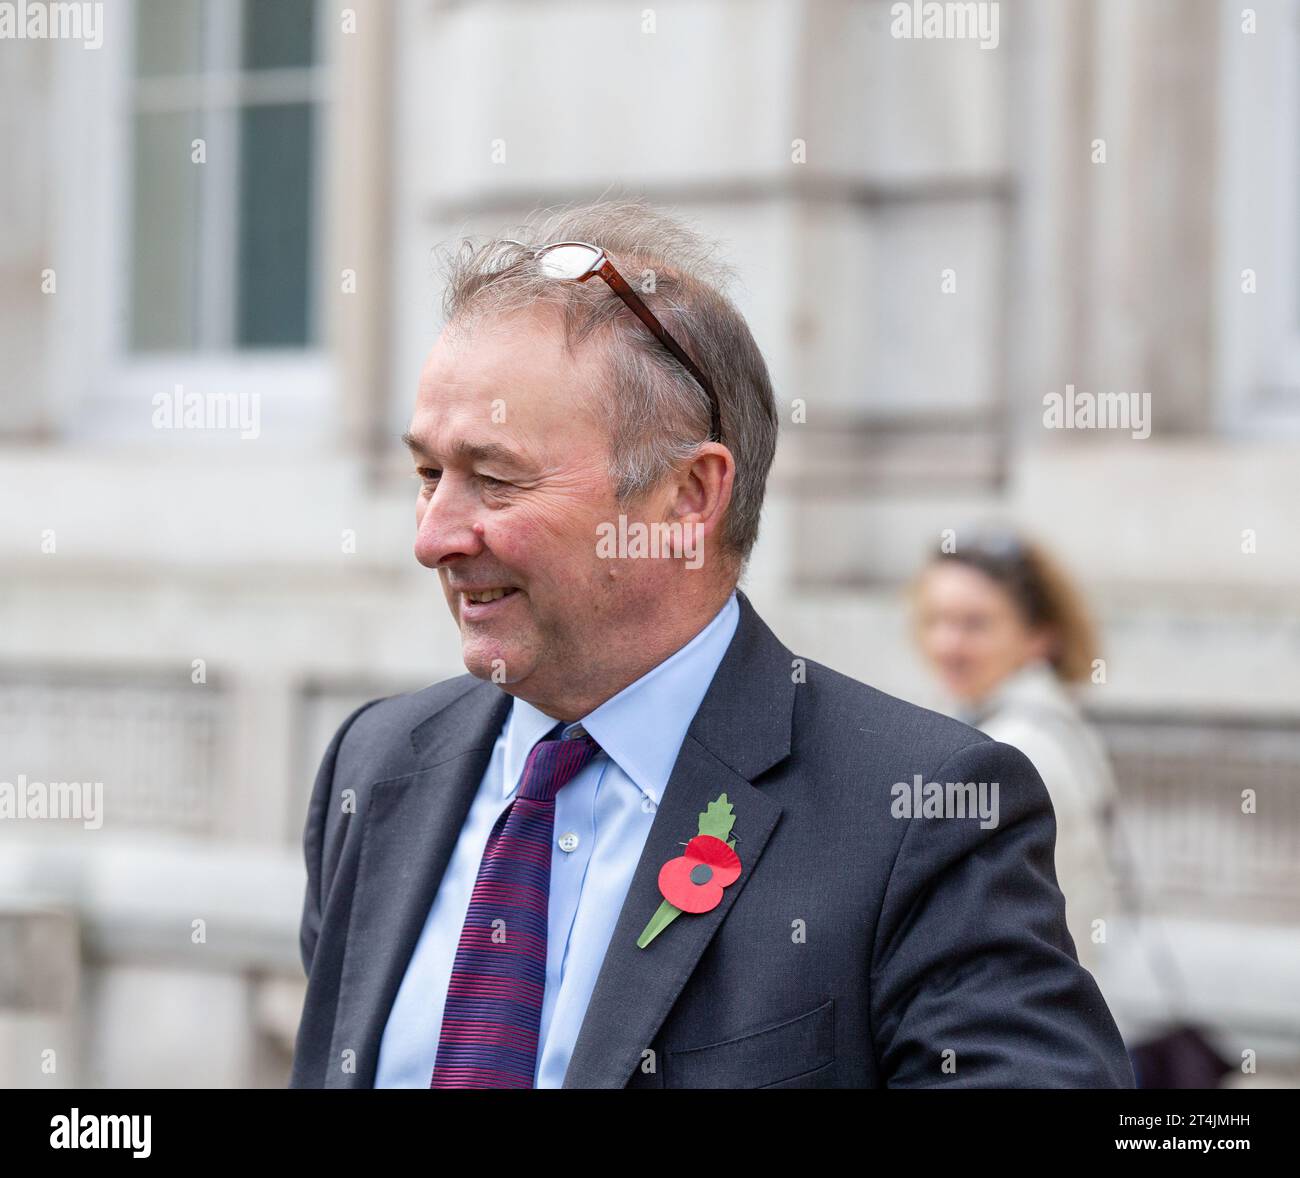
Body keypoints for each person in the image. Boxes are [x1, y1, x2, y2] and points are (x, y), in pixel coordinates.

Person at [289, 200, 1132, 1089]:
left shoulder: (923, 814)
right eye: (429, 475)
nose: (434, 536)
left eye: (495, 479)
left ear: (689, 497)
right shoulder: (375, 767)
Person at [912, 532, 1120, 979]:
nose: (947, 645)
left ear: (1038, 638)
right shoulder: (1048, 722)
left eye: (974, 624)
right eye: (935, 620)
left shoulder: (1013, 748)